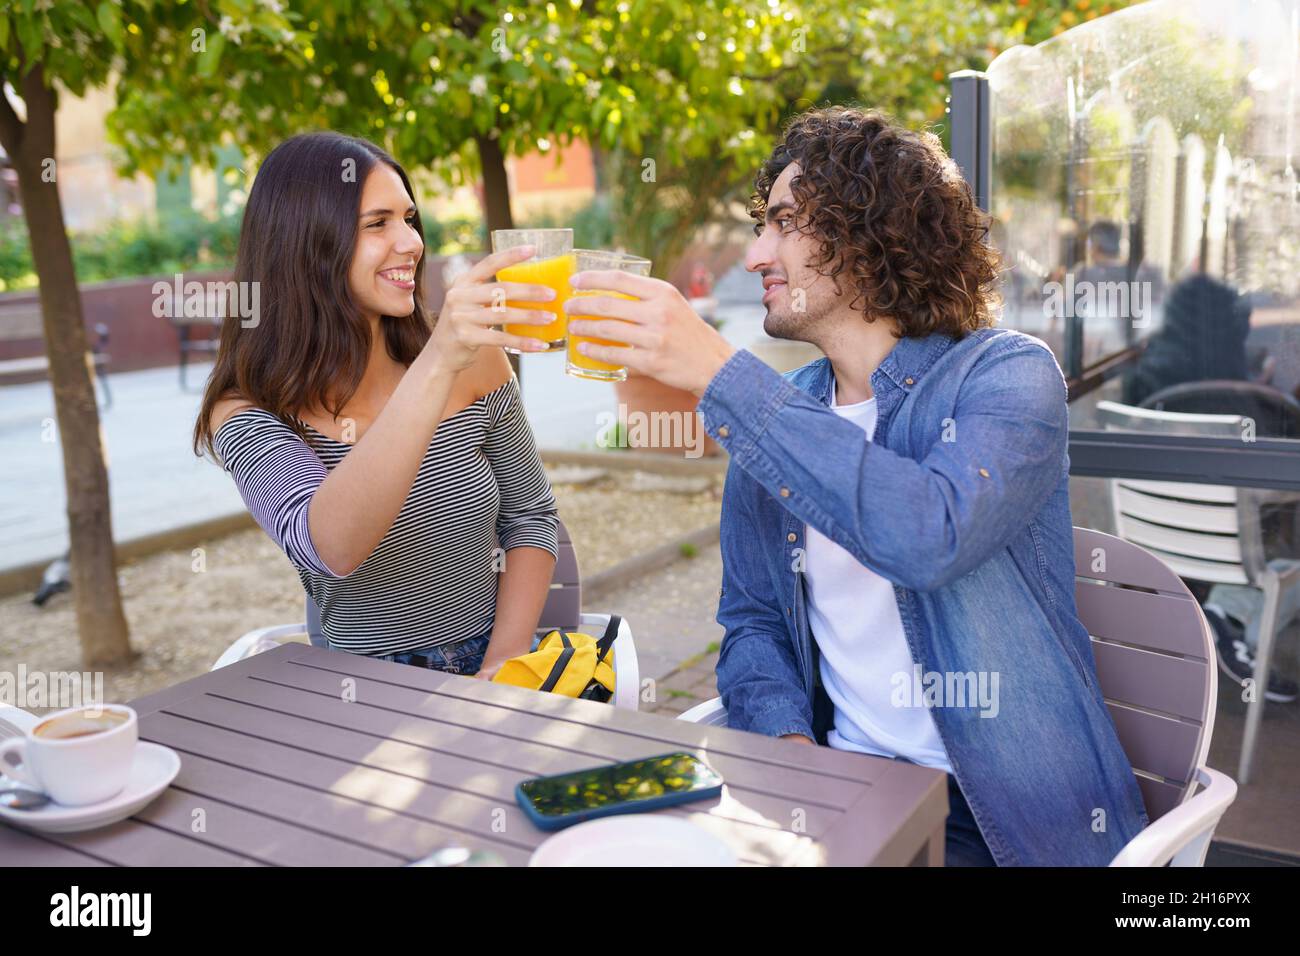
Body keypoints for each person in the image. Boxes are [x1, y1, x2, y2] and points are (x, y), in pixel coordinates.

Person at [563, 106, 1149, 866]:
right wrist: (788, 743)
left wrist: (717, 372)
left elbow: (926, 535)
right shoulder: (786, 415)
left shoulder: (1006, 375)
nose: (754, 255)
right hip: (838, 790)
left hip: (994, 817)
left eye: (781, 224)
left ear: (869, 233)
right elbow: (752, 622)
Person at [194, 132, 560, 679]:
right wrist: (436, 363)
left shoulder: (475, 362)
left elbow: (531, 517)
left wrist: (502, 667)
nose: (411, 242)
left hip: (495, 662)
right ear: (304, 244)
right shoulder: (249, 409)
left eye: (409, 219)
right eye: (377, 223)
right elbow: (332, 547)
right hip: (360, 686)